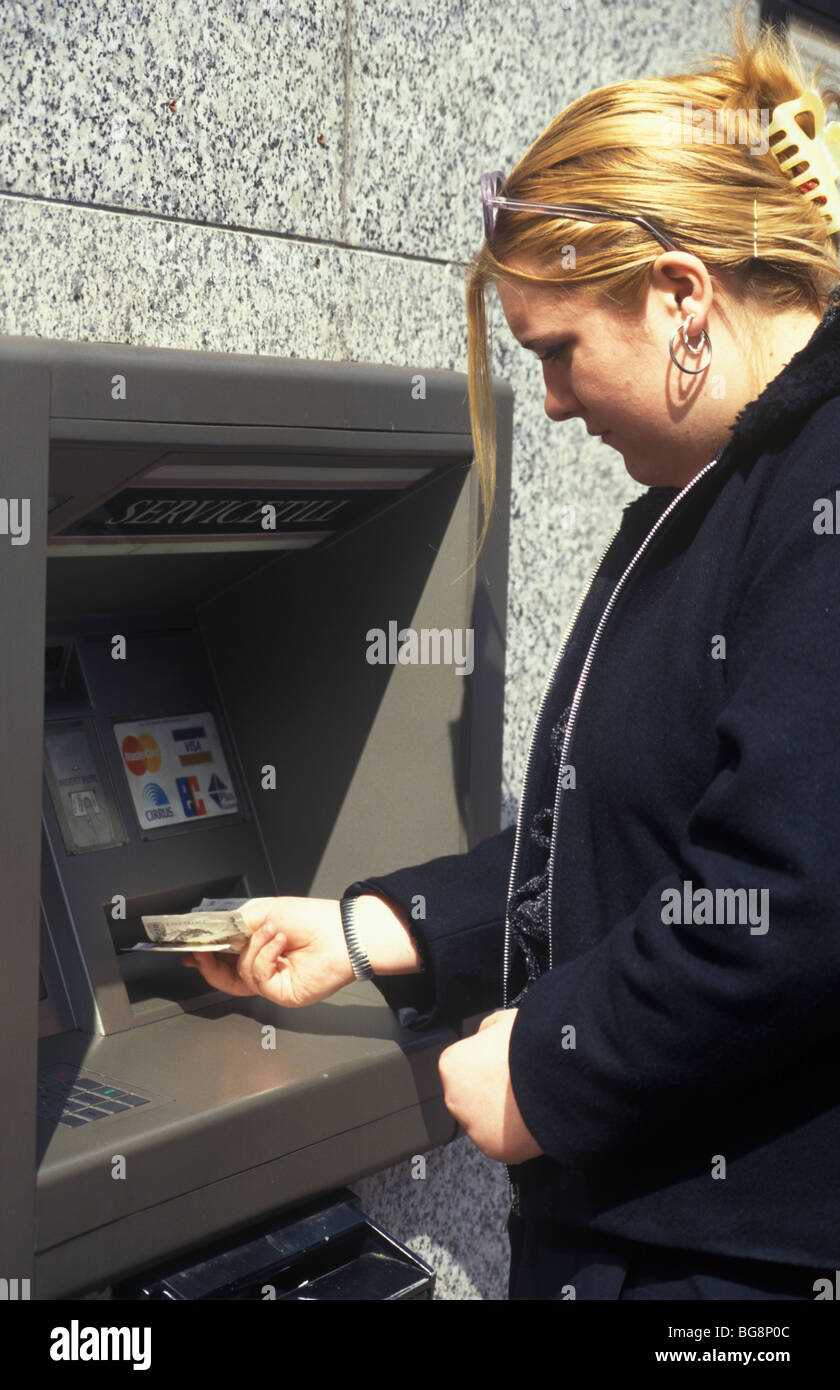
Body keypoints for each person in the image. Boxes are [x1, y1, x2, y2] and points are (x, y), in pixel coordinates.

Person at [185, 7, 840, 1299]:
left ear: (681, 299)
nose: (545, 401)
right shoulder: (709, 496)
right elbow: (615, 845)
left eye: (558, 351)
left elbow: (792, 898)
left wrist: (552, 1062)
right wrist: (377, 925)